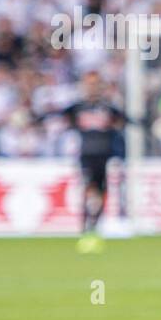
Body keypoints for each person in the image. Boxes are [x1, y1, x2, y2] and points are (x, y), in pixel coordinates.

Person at [58, 72, 128, 254]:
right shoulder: (78, 107)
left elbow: (124, 120)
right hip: (86, 154)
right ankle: (84, 226)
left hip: (104, 155)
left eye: (96, 83)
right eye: (90, 84)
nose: (93, 87)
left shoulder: (107, 107)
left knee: (102, 191)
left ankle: (95, 225)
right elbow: (62, 117)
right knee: (88, 190)